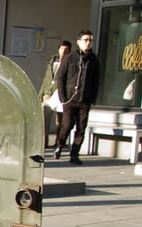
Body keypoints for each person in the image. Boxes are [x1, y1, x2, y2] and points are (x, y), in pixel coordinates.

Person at [53, 30, 100, 165]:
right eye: (85, 40)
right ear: (79, 42)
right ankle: (59, 146)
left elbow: (96, 81)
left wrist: (92, 98)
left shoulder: (94, 60)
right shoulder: (70, 58)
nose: (88, 43)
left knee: (81, 127)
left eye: (90, 40)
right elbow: (60, 78)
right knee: (67, 125)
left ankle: (74, 153)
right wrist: (63, 98)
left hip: (85, 100)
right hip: (70, 98)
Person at [38, 40, 71, 148]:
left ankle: (59, 141)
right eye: (62, 48)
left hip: (60, 92)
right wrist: (41, 93)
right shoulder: (53, 60)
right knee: (45, 117)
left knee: (60, 120)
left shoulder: (70, 62)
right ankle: (44, 141)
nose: (63, 51)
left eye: (66, 49)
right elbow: (46, 78)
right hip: (48, 92)